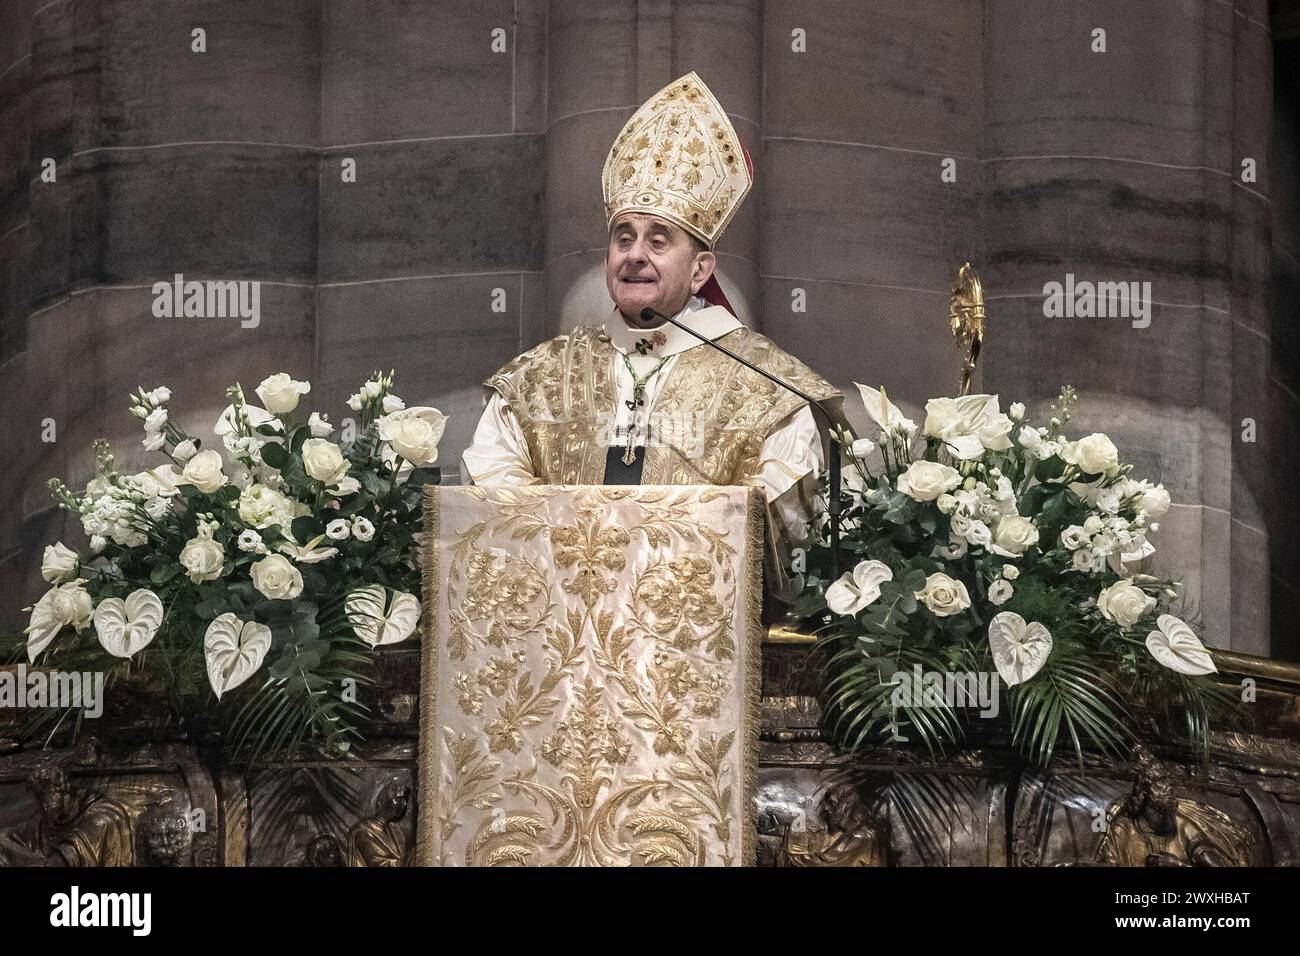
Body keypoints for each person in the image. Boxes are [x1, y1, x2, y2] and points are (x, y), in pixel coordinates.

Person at [461, 72, 843, 602]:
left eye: (658, 240)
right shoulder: (538, 379)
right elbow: (490, 487)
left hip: (695, 629)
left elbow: (784, 519)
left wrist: (649, 551)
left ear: (700, 268)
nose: (635, 254)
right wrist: (583, 551)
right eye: (624, 238)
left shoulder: (767, 386)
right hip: (560, 629)